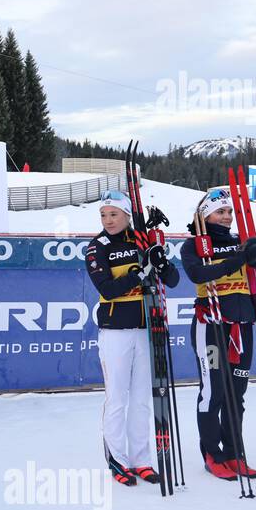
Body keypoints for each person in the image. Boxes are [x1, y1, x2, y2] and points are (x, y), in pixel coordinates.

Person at [180, 187, 256, 481]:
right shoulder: (195, 245)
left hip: (242, 326)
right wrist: (238, 260)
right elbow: (197, 275)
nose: (226, 217)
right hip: (210, 324)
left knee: (236, 395)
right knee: (212, 392)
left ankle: (235, 453)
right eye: (219, 211)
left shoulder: (242, 241)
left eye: (229, 212)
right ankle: (212, 454)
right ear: (204, 215)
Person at [84, 191, 179, 486]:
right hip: (115, 331)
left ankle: (142, 460)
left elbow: (173, 281)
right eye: (103, 215)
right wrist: (140, 273)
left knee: (141, 400)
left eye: (114, 214)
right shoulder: (96, 247)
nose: (108, 220)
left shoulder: (143, 241)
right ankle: (118, 461)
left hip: (147, 328)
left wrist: (159, 262)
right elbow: (109, 289)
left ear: (127, 215)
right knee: (117, 399)